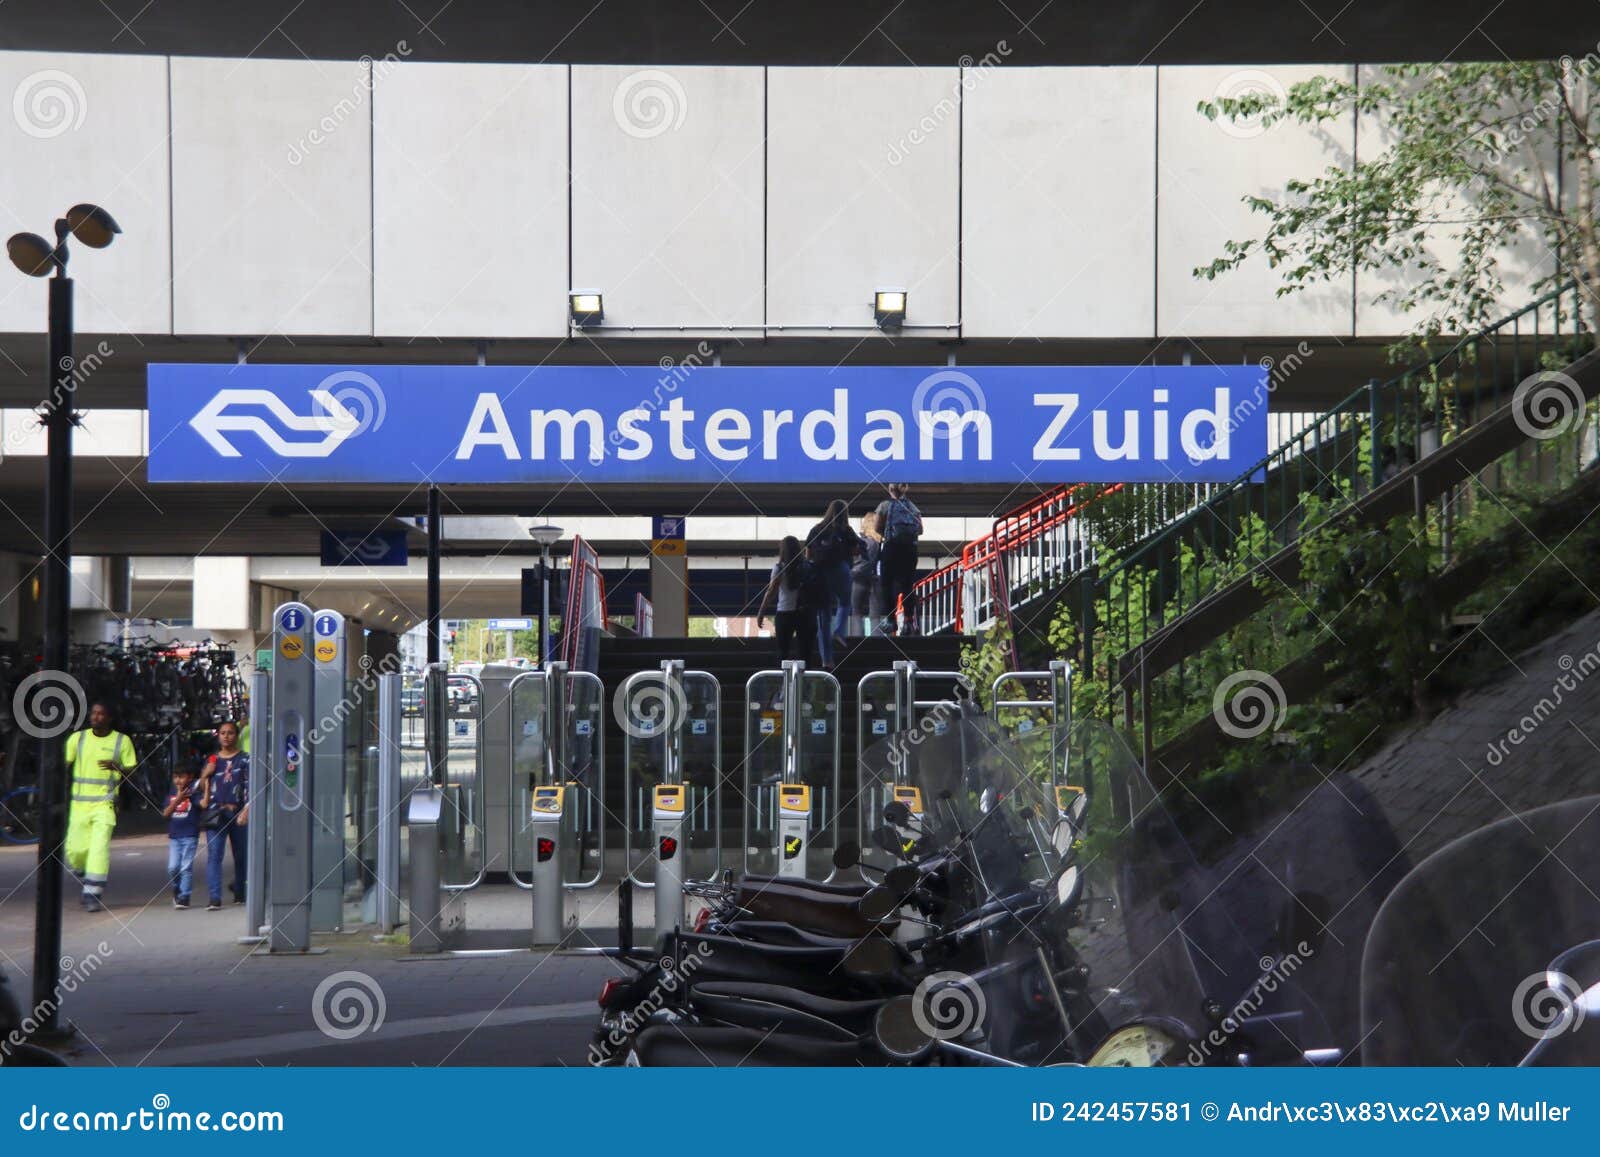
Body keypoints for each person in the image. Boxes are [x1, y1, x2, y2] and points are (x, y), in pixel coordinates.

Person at [63, 701, 137, 911]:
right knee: (75, 851)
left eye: (101, 714)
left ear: (109, 718)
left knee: (99, 847)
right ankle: (84, 874)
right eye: (93, 713)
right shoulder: (78, 738)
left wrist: (119, 768)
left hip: (105, 804)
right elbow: (63, 765)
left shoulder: (122, 741)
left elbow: (132, 772)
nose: (95, 717)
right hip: (79, 805)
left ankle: (92, 893)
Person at [200, 719, 250, 910]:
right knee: (214, 855)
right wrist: (206, 774)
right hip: (216, 812)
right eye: (223, 733)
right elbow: (201, 787)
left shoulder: (245, 759)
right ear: (218, 736)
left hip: (238, 811)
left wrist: (247, 810)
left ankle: (240, 892)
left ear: (236, 736)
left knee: (242, 855)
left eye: (230, 733)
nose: (226, 736)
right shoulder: (212, 760)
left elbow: (250, 786)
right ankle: (214, 898)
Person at [806, 499, 862, 664]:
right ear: (845, 513)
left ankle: (827, 660)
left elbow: (808, 553)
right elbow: (855, 550)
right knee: (844, 602)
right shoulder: (846, 529)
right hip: (840, 570)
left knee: (823, 616)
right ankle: (839, 630)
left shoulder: (817, 529)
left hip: (820, 574)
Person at [756, 535, 820, 667]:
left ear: (783, 550)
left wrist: (761, 612)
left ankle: (783, 682)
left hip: (785, 613)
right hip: (805, 613)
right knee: (805, 653)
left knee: (783, 652)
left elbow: (771, 592)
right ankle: (804, 683)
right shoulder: (808, 567)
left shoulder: (779, 568)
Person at [875, 483, 924, 636]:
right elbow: (920, 530)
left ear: (890, 489)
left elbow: (877, 527)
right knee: (907, 585)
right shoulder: (913, 507)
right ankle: (909, 621)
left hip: (891, 548)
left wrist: (890, 534)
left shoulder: (884, 506)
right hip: (910, 550)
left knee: (886, 583)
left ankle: (891, 620)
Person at [162, 762, 205, 909]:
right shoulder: (172, 794)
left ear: (190, 777)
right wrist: (178, 800)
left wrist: (207, 784)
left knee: (186, 867)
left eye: (181, 777)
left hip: (190, 835)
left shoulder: (194, 794)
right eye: (175, 777)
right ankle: (178, 888)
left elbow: (204, 804)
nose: (178, 780)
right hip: (174, 836)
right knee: (172, 868)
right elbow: (165, 813)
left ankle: (184, 897)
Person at [851, 511, 884, 636]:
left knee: (856, 612)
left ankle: (856, 643)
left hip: (858, 580)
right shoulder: (876, 543)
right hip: (874, 580)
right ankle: (876, 643)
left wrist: (851, 572)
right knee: (875, 614)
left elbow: (859, 562)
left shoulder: (862, 542)